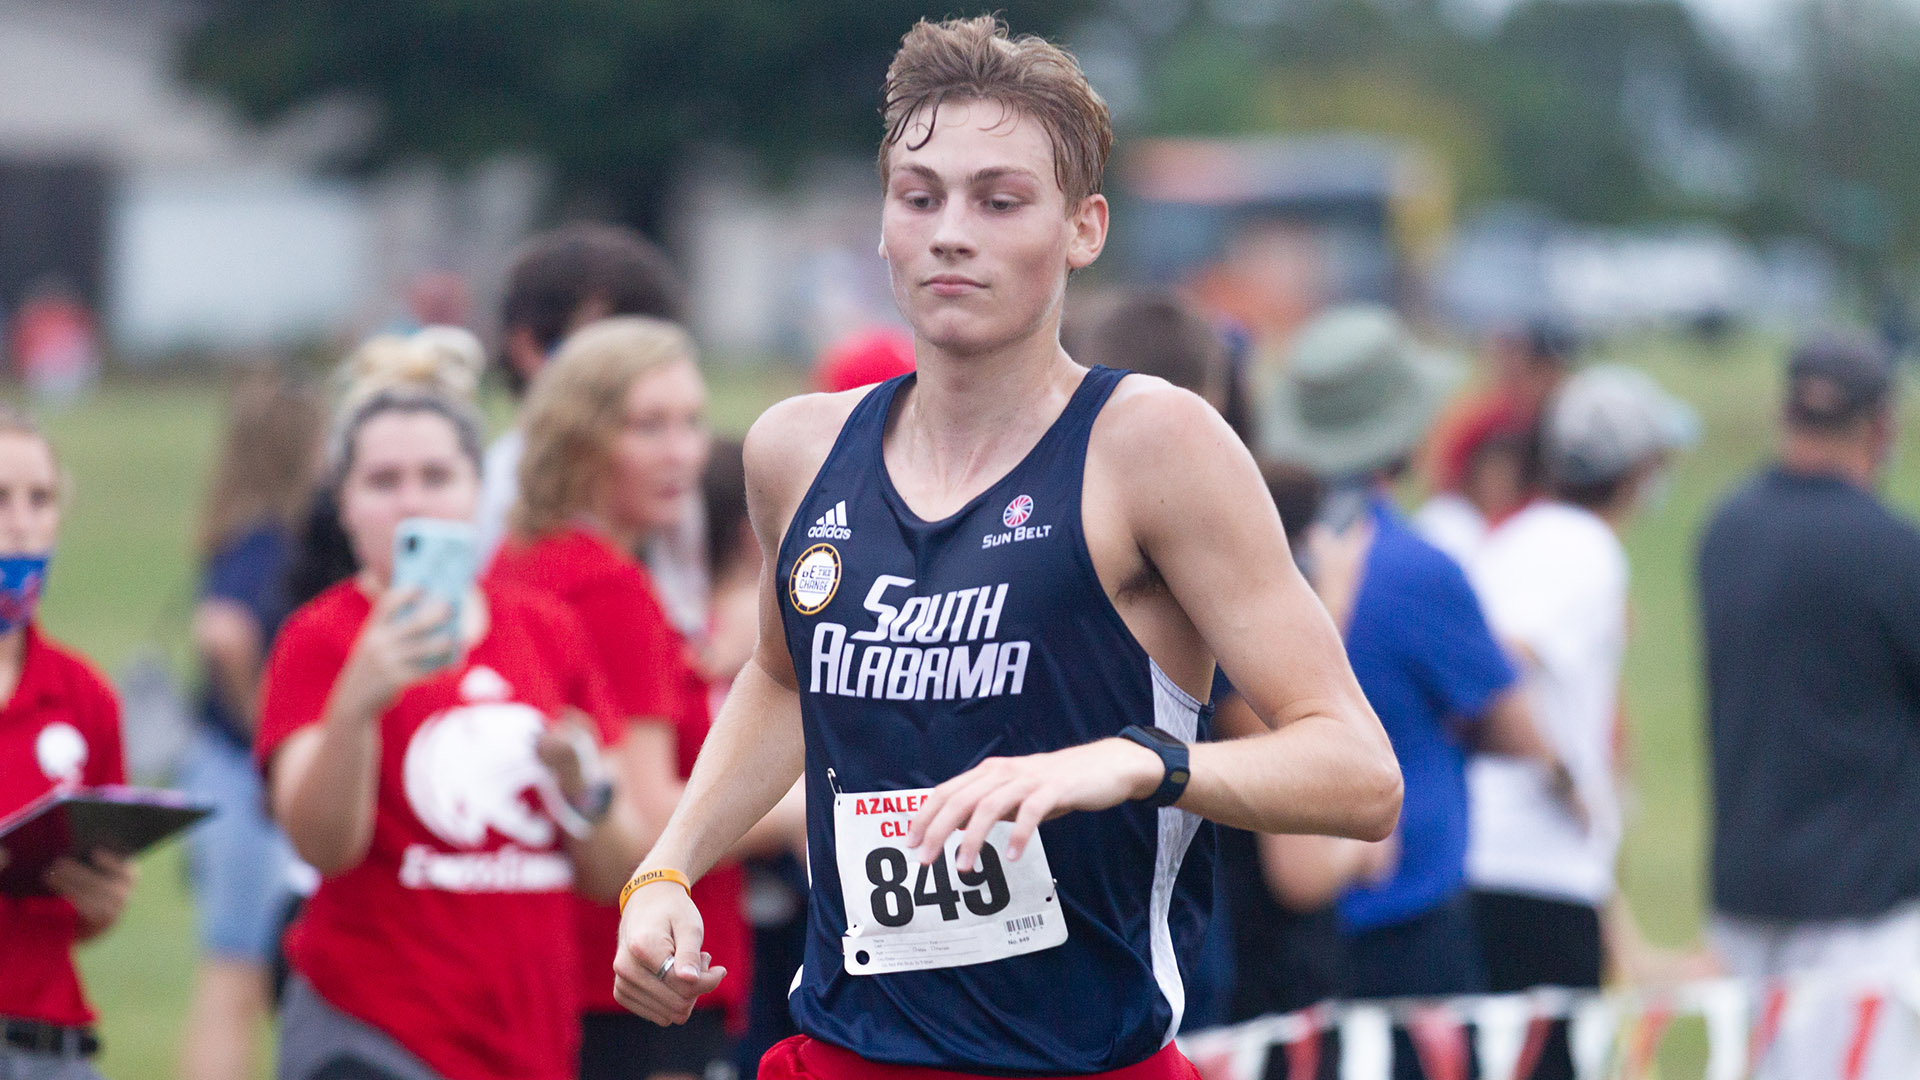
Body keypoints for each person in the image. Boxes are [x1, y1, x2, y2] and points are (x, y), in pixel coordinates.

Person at [614, 17, 1402, 1080]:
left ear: (1083, 229)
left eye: (999, 200)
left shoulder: (1152, 445)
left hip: (1083, 1060)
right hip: (846, 1055)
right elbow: (778, 678)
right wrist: (664, 872)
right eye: (920, 195)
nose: (950, 232)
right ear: (884, 224)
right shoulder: (798, 450)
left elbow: (1359, 774)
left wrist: (1138, 765)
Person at [256, 338, 643, 1080]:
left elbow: (612, 872)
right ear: (344, 504)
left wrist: (582, 790)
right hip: (373, 1025)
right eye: (383, 481)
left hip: (527, 1034)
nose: (412, 501)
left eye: (437, 476)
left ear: (476, 492)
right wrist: (356, 708)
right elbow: (322, 847)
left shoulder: (544, 628)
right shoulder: (322, 637)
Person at [1263, 305, 1574, 1080]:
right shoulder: (1419, 570)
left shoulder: (1257, 554)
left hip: (1279, 939)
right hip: (1406, 918)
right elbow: (1508, 724)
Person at [489, 317, 801, 1080]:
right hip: (639, 976)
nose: (682, 453)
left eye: (691, 422)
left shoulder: (526, 562)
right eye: (646, 426)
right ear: (579, 438)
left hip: (568, 966)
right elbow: (653, 810)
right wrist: (835, 800)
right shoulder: (608, 588)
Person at [1464, 365, 1696, 1080]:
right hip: (1533, 877)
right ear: (1634, 470)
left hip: (1491, 863)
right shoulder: (1584, 552)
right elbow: (1499, 657)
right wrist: (1560, 770)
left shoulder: (1517, 537)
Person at [1699, 334, 1920, 1079]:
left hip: (1745, 891)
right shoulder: (1892, 551)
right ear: (1879, 426)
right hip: (1865, 908)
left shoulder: (1723, 532)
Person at [177, 373, 324, 1080]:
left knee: (244, 974)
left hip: (221, 762)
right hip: (242, 773)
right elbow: (222, 633)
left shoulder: (234, 532)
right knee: (233, 976)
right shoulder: (270, 541)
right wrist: (272, 728)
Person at [0, 406, 135, 1080]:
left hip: (51, 1049)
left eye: (40, 498)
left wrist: (103, 901)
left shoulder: (85, 695)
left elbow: (78, 922)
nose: (21, 520)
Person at [476, 222, 687, 563]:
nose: (641, 377)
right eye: (609, 355)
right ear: (530, 348)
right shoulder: (496, 495)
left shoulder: (677, 480)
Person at [1415, 321, 1575, 562]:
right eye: (1539, 369)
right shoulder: (1485, 420)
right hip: (1489, 538)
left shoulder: (1569, 420)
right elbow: (1444, 482)